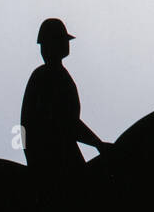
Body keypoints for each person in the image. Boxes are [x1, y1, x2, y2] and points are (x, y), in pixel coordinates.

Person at [19, 18, 110, 176]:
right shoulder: (50, 76)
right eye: (62, 40)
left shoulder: (51, 75)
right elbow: (66, 122)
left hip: (52, 153)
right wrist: (98, 144)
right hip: (56, 155)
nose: (66, 44)